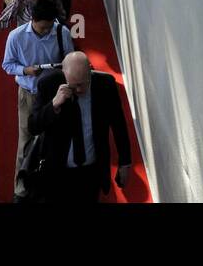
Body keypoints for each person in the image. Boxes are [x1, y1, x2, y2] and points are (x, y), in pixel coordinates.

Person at [29, 51, 132, 203]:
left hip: (90, 172)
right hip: (59, 173)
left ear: (90, 73)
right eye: (73, 85)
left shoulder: (105, 85)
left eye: (82, 85)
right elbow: (33, 126)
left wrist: (125, 162)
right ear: (64, 74)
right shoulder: (48, 84)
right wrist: (54, 105)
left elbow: (119, 125)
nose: (77, 90)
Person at [2, 0, 73, 200]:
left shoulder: (61, 33)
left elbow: (69, 59)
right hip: (29, 94)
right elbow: (7, 65)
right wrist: (25, 70)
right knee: (25, 141)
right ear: (32, 19)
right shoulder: (16, 37)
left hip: (55, 95)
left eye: (49, 27)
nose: (46, 31)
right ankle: (21, 190)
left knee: (56, 140)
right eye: (42, 28)